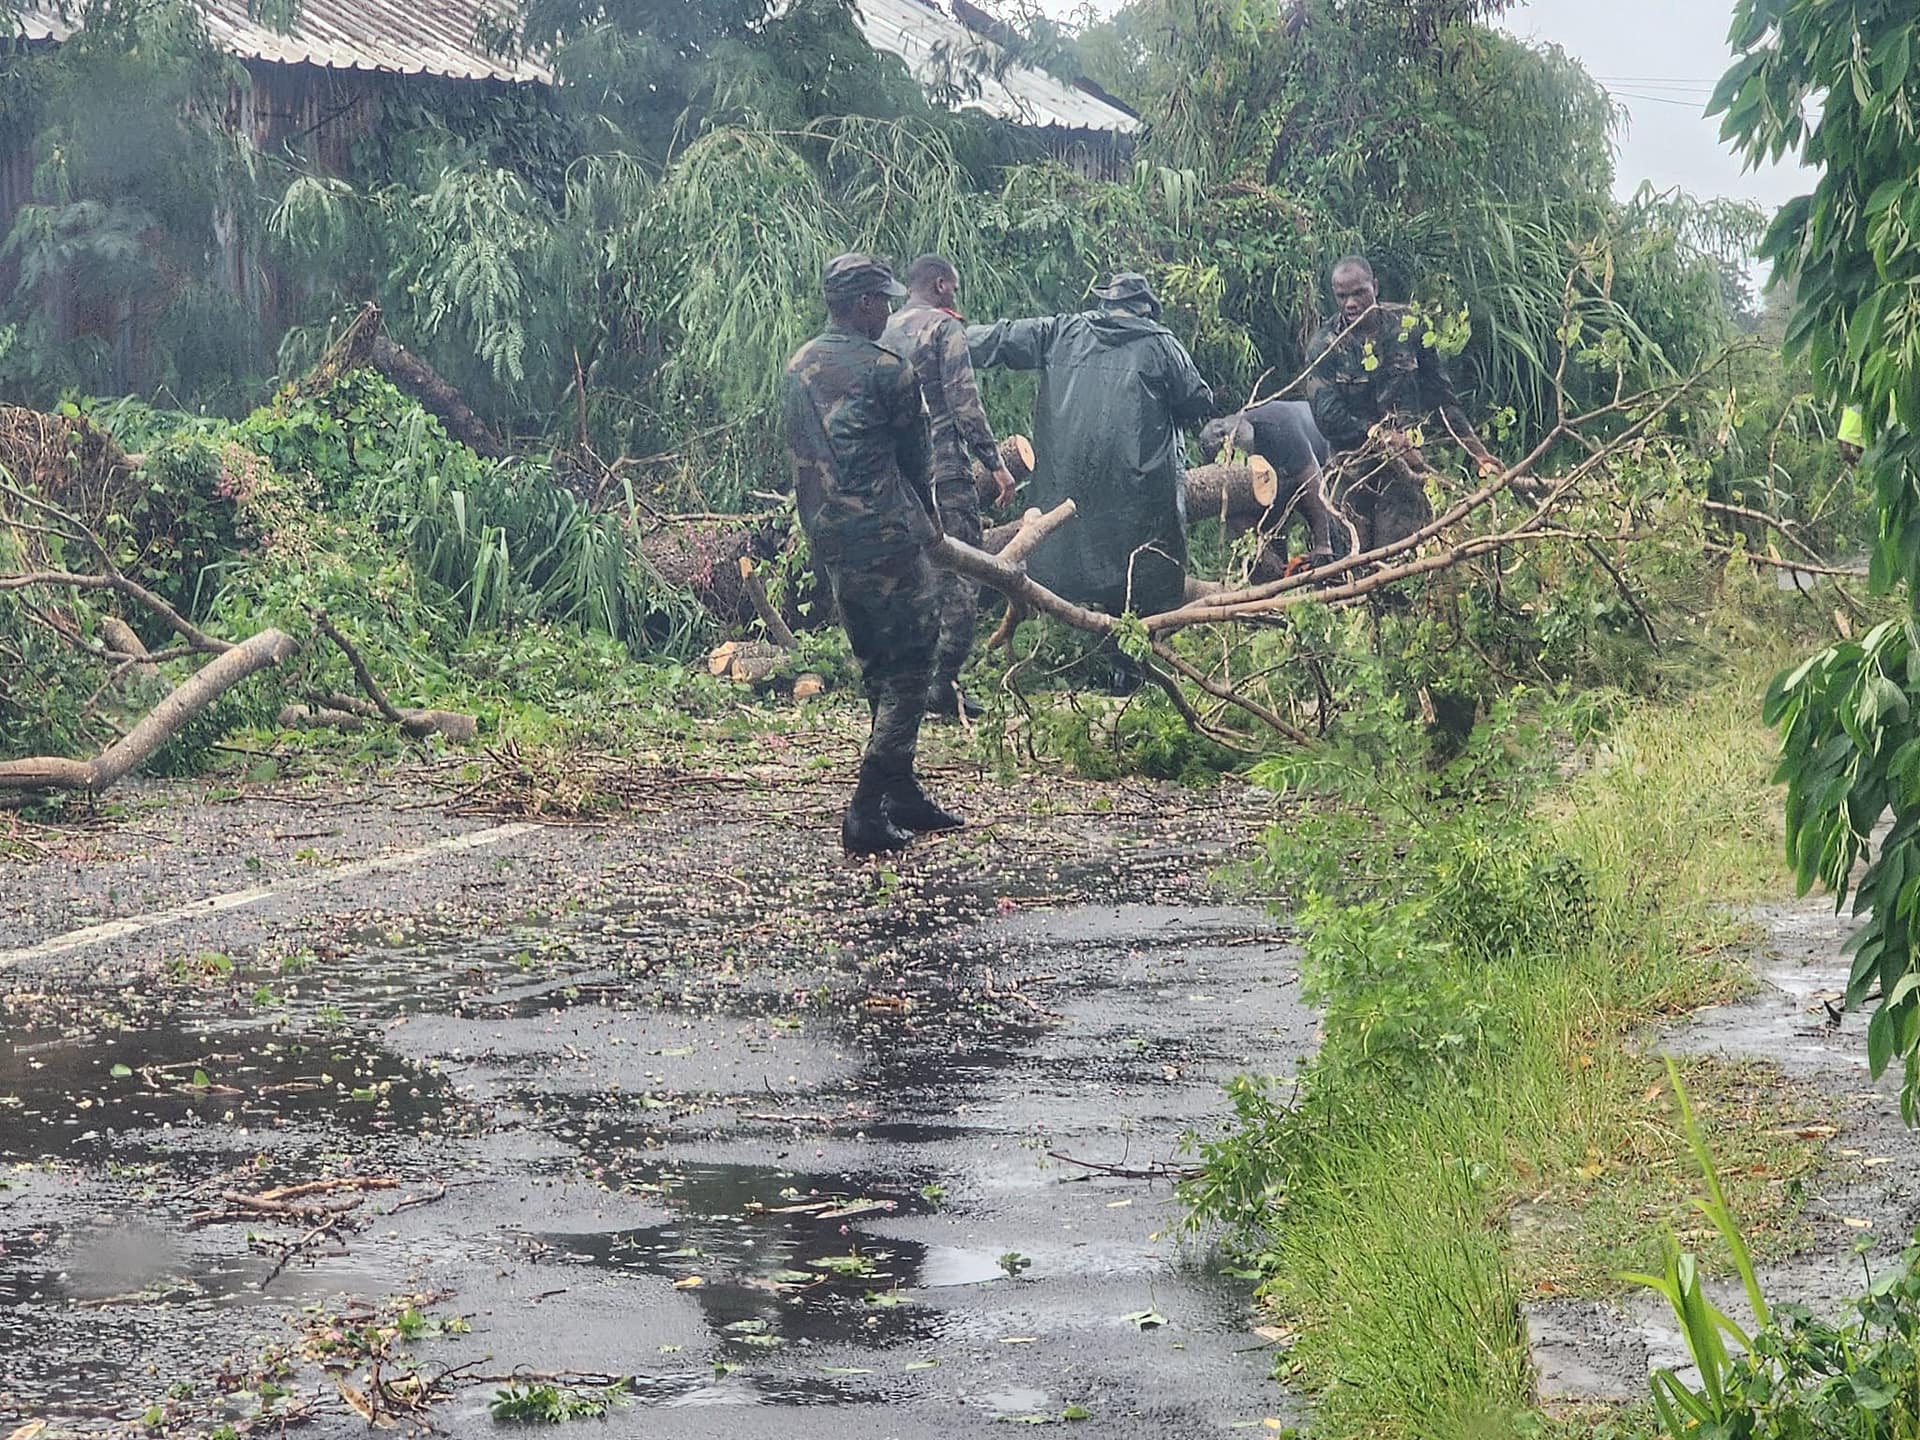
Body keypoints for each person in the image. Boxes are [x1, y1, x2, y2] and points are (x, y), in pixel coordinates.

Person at [781, 253, 963, 856]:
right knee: (913, 662)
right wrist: (932, 523)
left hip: (828, 535)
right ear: (861, 304)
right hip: (886, 533)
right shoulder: (889, 370)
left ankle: (901, 792)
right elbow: (917, 458)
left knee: (875, 665)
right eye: (882, 300)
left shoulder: (797, 366)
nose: (888, 309)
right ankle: (865, 808)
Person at [968, 272, 1214, 691]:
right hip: (1139, 489)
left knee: (1076, 556)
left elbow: (999, 339)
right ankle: (1128, 668)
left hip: (1073, 484)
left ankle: (1059, 653)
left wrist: (940, 337)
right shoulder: (1161, 345)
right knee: (1138, 570)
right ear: (1146, 310)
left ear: (1104, 304)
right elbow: (1197, 401)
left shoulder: (1062, 331)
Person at [881, 255, 1015, 722]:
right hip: (942, 469)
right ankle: (942, 684)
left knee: (908, 575)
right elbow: (964, 403)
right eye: (953, 287)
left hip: (893, 475)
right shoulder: (944, 328)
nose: (955, 294)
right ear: (941, 285)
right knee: (962, 570)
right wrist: (995, 464)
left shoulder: (883, 329)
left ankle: (900, 680)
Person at [1304, 255, 1501, 552]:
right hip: (1351, 476)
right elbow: (1328, 417)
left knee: (1399, 560)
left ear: (1375, 287)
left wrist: (1478, 452)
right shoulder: (1324, 345)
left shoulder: (1408, 328)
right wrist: (1381, 436)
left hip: (1405, 474)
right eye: (1342, 296)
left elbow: (1441, 397)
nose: (1350, 304)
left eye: (1359, 293)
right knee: (1353, 564)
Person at [1198, 399, 1350, 573]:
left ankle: (1340, 569)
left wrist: (1323, 544)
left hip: (1318, 456)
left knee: (1331, 532)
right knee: (1267, 559)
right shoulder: (1215, 462)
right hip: (1273, 482)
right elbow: (1232, 508)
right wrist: (1261, 551)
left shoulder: (1277, 424)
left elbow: (1312, 482)